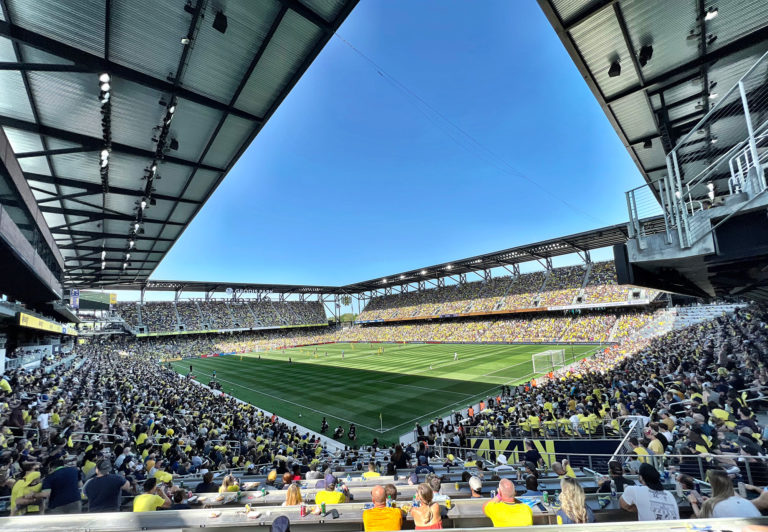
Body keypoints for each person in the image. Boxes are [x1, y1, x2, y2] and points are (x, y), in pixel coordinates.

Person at [693, 469, 760, 518]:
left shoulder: (710, 504)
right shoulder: (746, 502)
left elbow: (700, 518)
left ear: (713, 486)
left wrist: (693, 502)